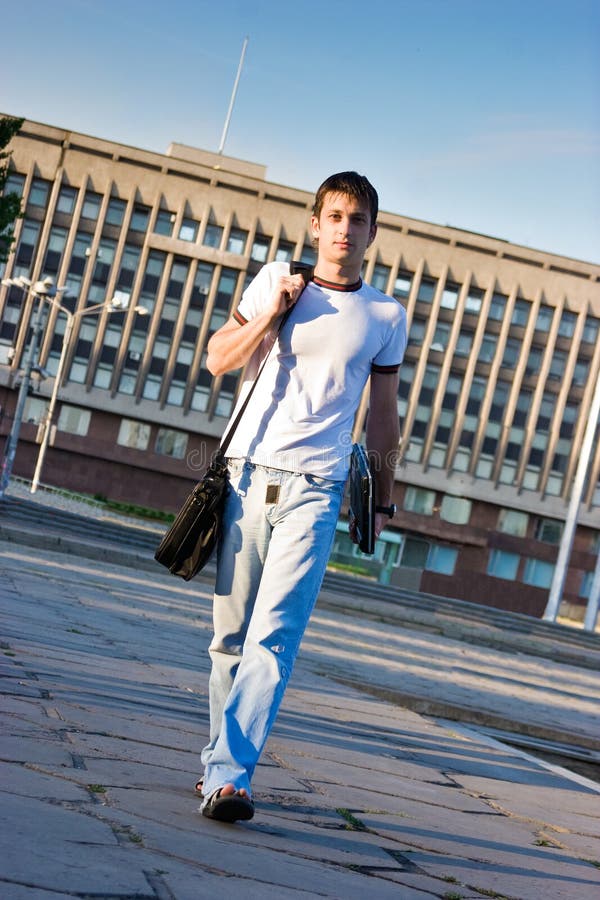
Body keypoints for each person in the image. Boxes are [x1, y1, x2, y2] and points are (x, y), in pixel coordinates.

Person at [198, 171, 407, 822]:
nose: (346, 230)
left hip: (318, 489)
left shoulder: (385, 316)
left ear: (373, 232)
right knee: (230, 640)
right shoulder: (274, 280)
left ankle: (231, 777)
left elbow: (383, 415)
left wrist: (381, 497)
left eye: (358, 219)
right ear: (316, 224)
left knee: (274, 639)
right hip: (246, 475)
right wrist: (272, 314)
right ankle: (216, 768)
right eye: (335, 217)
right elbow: (217, 359)